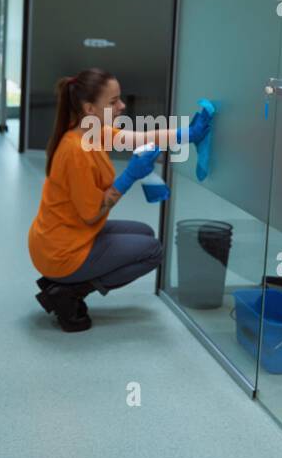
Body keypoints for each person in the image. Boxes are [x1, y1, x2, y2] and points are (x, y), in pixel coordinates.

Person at [27, 68, 212, 331]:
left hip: (63, 235)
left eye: (119, 98)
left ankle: (69, 284)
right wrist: (129, 177)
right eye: (113, 102)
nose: (122, 106)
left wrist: (188, 135)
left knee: (145, 233)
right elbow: (92, 214)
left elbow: (138, 139)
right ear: (90, 108)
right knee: (152, 251)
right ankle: (69, 291)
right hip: (61, 252)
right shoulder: (76, 151)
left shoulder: (89, 130)